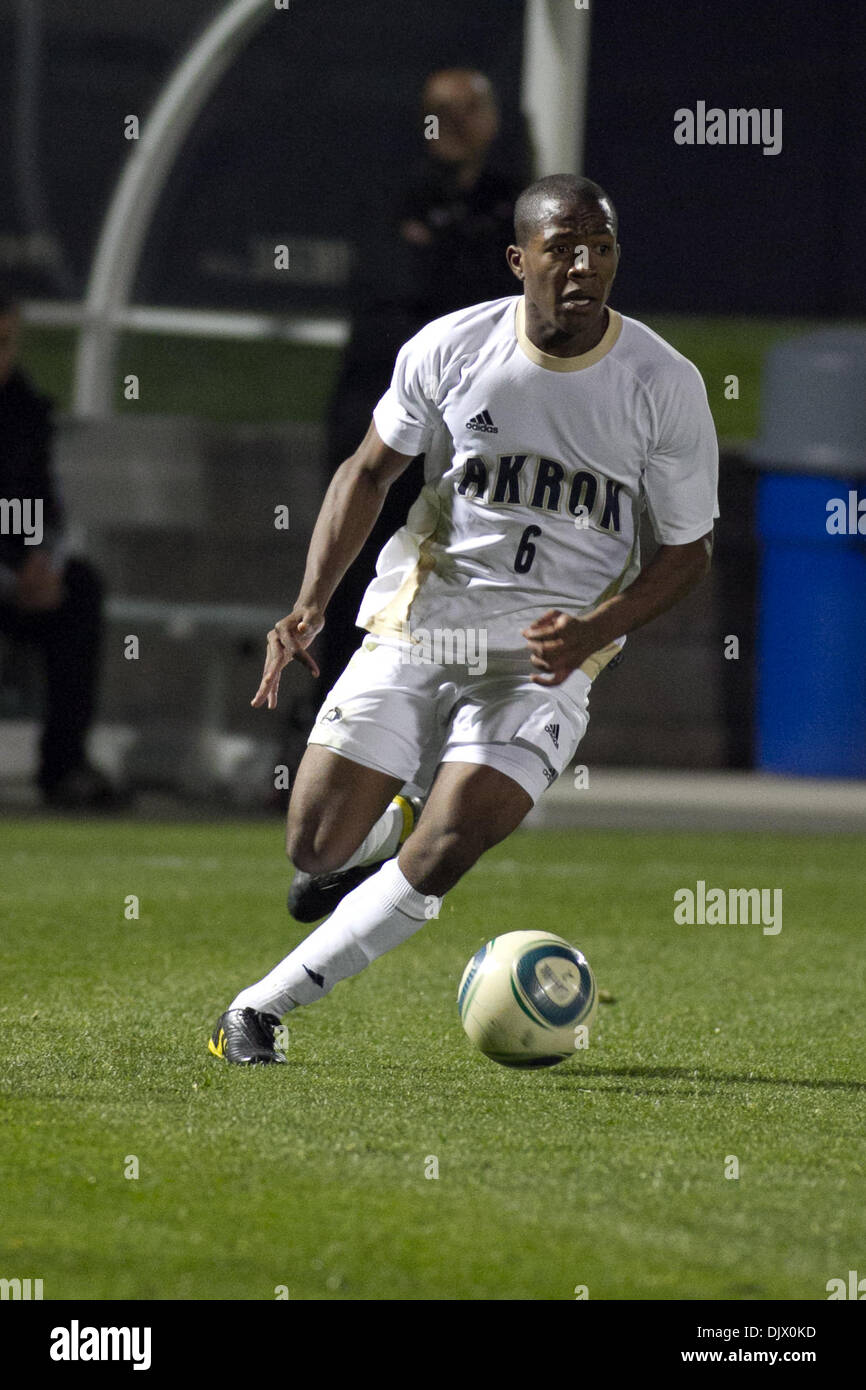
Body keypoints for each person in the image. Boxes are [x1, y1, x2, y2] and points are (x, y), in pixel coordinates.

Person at [209, 173, 719, 1064]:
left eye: (600, 248)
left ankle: (257, 1010)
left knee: (455, 839)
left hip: (551, 655)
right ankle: (381, 828)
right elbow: (368, 472)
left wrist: (597, 631)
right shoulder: (452, 347)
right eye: (562, 249)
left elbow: (688, 553)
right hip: (425, 617)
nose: (584, 267)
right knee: (313, 843)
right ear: (520, 260)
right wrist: (310, 602)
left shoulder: (663, 383)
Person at [316, 68, 527, 697]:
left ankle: (453, 734)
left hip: (473, 427)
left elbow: (496, 300)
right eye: (441, 109)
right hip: (382, 415)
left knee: (469, 573)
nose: (455, 123)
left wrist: (449, 244)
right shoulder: (390, 192)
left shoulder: (509, 202)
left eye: (469, 108)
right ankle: (332, 725)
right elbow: (404, 287)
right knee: (357, 574)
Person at [0, 290, 126, 808]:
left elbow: (32, 498)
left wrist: (35, 561)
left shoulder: (22, 408)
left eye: (6, 342)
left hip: (11, 572)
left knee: (80, 590)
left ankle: (64, 764)